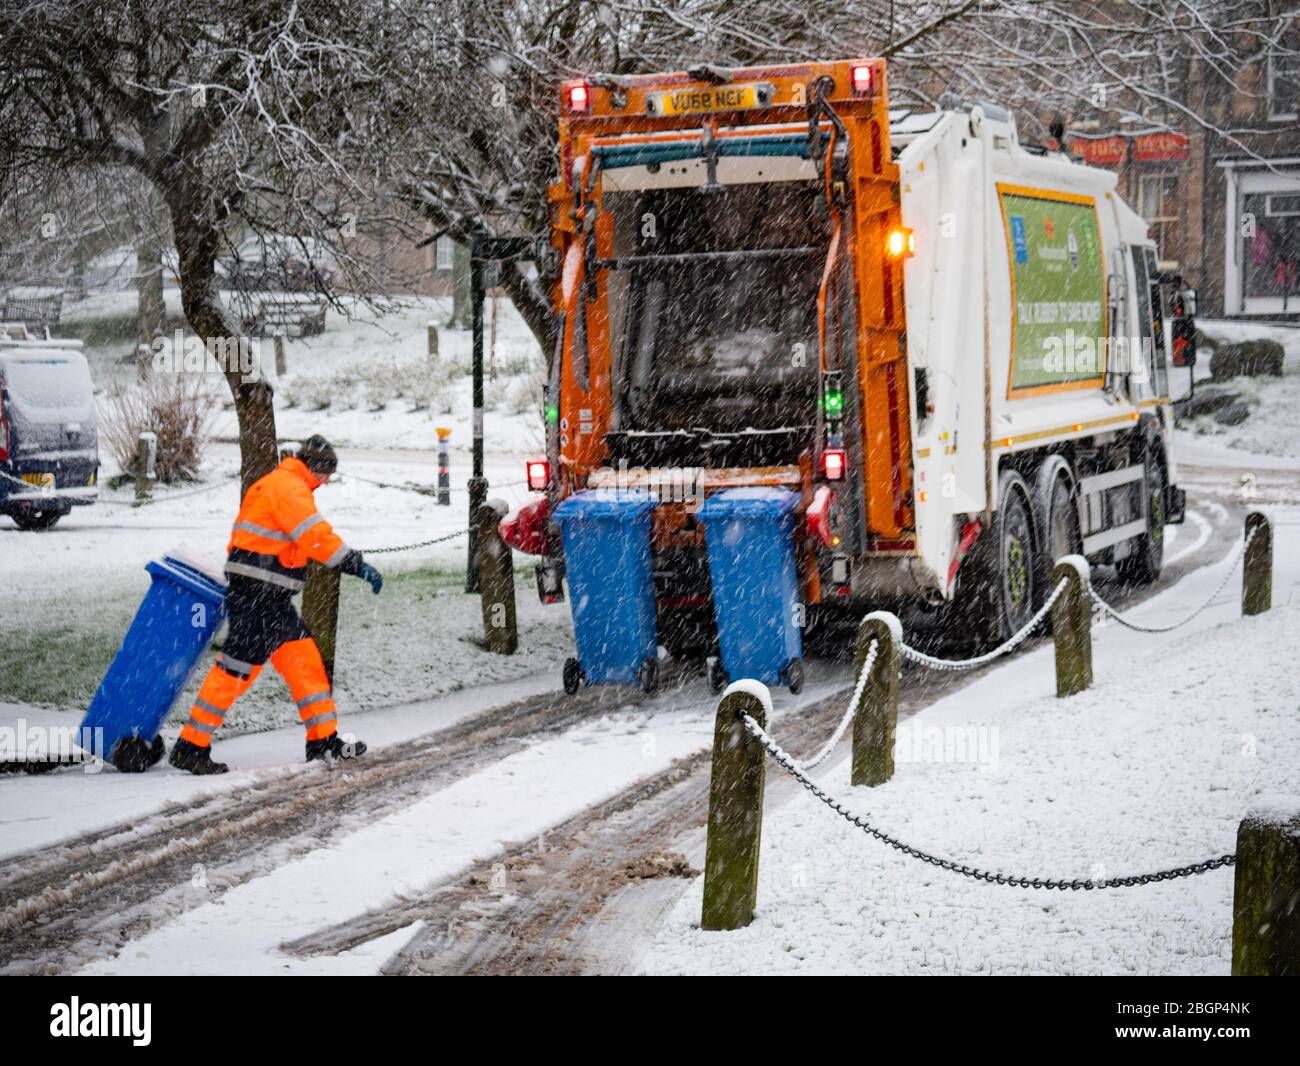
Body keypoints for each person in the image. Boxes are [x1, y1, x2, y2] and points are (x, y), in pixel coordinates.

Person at [169, 435, 383, 775]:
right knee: (234, 672)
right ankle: (190, 746)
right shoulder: (289, 488)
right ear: (316, 468)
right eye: (327, 475)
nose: (327, 482)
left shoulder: (281, 483)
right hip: (257, 595)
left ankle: (323, 741)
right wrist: (354, 563)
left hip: (268, 596)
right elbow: (314, 535)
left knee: (305, 664)